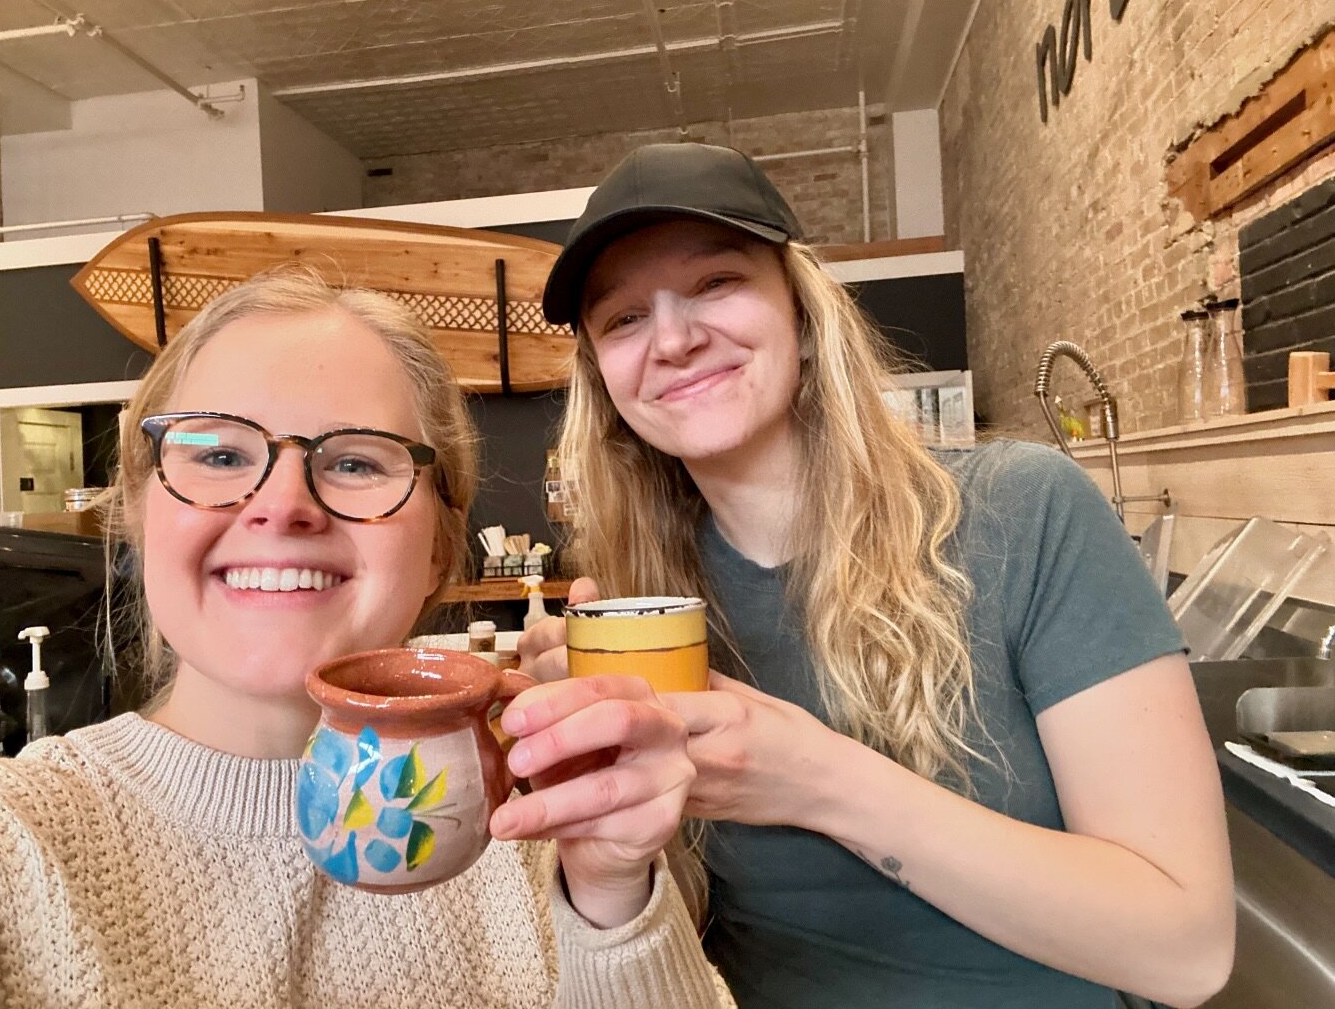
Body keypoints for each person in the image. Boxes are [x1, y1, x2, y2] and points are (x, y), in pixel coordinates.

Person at [521, 143, 1235, 1009]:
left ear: (802, 314)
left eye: (716, 282)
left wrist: (820, 782)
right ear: (605, 378)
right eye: (622, 318)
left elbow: (1188, 952)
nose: (672, 339)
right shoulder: (644, 600)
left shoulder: (1025, 512)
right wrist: (596, 814)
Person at [0, 269, 729, 1008]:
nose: (282, 504)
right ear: (142, 514)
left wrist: (613, 904)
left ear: (441, 542)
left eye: (357, 463)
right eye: (219, 455)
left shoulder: (536, 836)